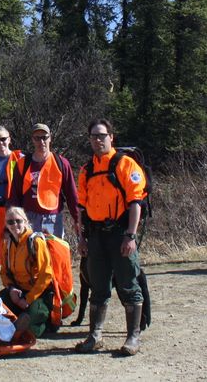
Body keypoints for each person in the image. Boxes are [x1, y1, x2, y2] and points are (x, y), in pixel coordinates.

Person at [75, 119, 147, 356]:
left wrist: (130, 235)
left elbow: (136, 203)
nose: (98, 140)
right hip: (96, 236)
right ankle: (94, 337)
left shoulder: (126, 164)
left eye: (102, 135)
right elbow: (81, 209)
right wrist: (81, 238)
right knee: (98, 286)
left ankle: (133, 338)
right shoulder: (86, 170)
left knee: (128, 284)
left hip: (120, 234)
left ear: (111, 137)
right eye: (94, 136)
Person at [8, 123, 79, 239]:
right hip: (28, 219)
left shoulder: (61, 163)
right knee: (30, 251)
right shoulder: (22, 164)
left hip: (53, 219)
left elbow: (72, 195)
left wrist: (77, 219)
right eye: (37, 138)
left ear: (50, 138)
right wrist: (12, 221)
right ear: (32, 140)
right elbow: (14, 195)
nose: (41, 142)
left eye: (44, 137)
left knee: (54, 250)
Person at [0, 206, 55, 338]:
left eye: (18, 221)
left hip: (38, 295)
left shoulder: (36, 242)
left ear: (25, 221)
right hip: (18, 292)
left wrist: (28, 299)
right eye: (10, 222)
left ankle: (30, 325)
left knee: (30, 324)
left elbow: (46, 275)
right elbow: (4, 272)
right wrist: (11, 289)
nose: (15, 225)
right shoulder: (7, 244)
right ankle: (11, 324)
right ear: (6, 225)